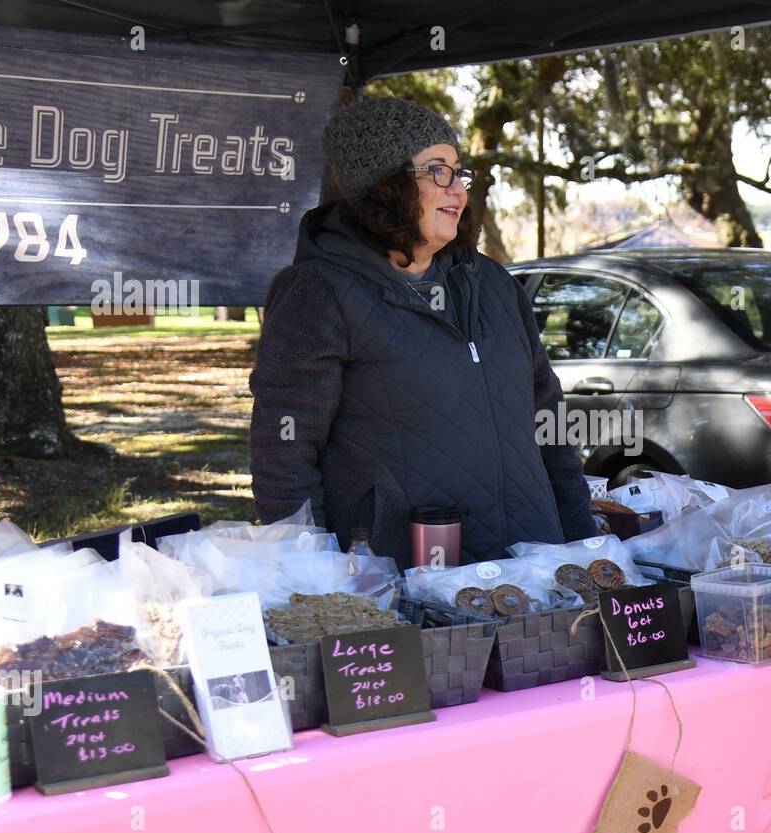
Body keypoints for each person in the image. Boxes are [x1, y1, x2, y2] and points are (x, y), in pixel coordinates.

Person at [249, 96, 596, 568]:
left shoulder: (495, 285)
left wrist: (583, 545)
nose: (457, 190)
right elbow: (284, 451)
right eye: (437, 171)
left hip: (531, 569)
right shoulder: (317, 291)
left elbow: (549, 423)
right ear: (383, 186)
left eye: (459, 172)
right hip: (400, 576)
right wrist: (313, 572)